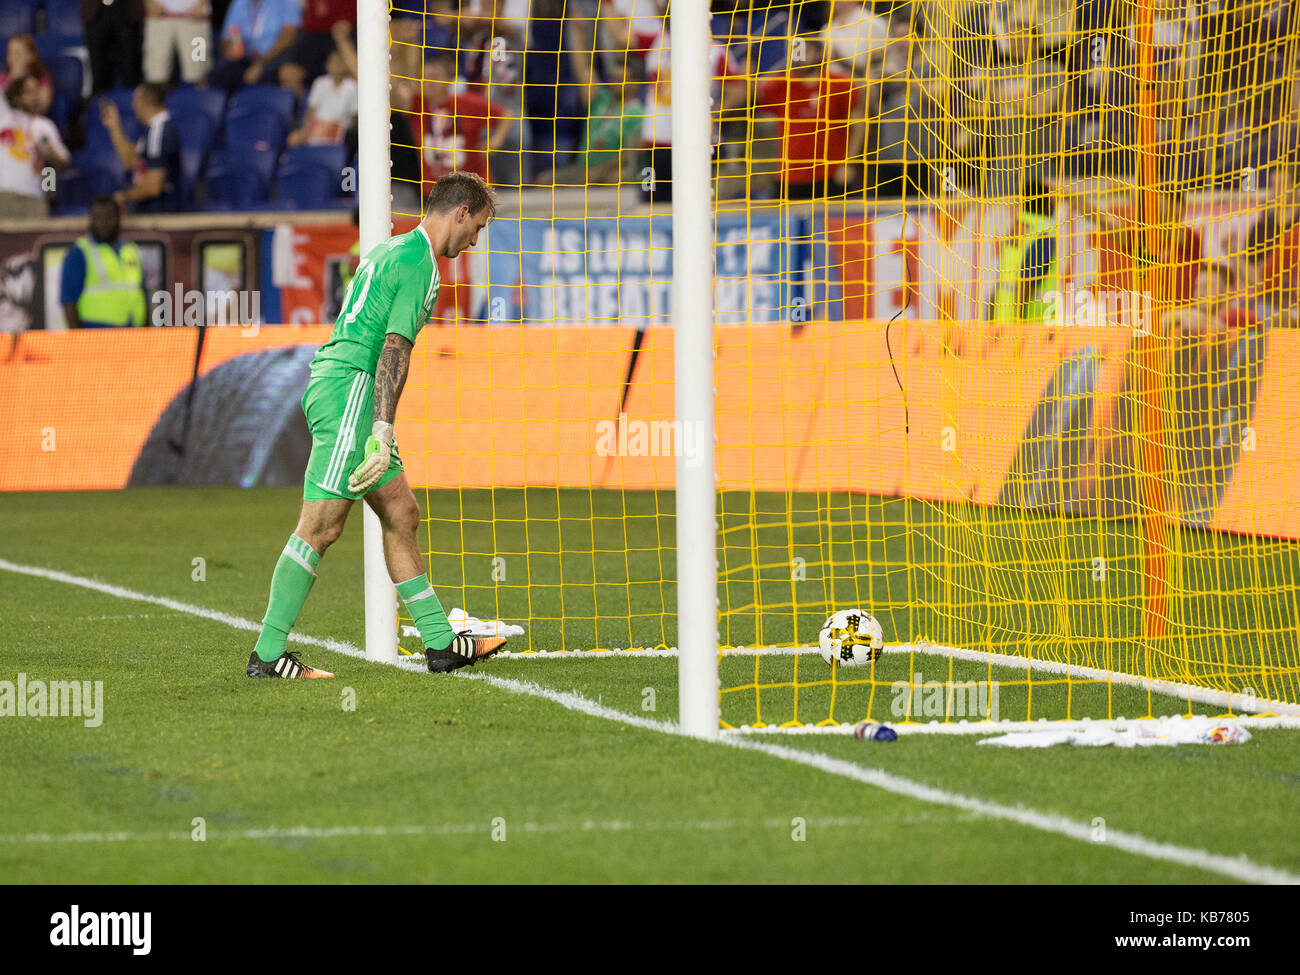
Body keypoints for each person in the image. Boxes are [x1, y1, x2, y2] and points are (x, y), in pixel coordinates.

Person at [246, 172, 507, 679]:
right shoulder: (421, 266)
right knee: (322, 526)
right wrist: (382, 429)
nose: (475, 239)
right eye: (476, 227)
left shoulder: (391, 250)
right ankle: (268, 653)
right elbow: (393, 348)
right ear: (459, 213)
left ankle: (439, 643)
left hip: (344, 385)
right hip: (353, 392)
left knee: (402, 512)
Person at [754, 37, 865, 199]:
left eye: (805, 51)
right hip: (789, 176)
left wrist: (848, 164)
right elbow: (753, 97)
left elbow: (859, 127)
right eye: (796, 51)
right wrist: (748, 72)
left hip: (831, 175)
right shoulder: (781, 84)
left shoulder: (841, 84)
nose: (800, 57)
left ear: (820, 53)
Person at [417, 52, 511, 193]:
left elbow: (506, 115)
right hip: (434, 191)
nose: (429, 83)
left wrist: (495, 141)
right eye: (424, 78)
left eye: (434, 77)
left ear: (448, 79)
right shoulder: (417, 105)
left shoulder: (465, 102)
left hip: (473, 188)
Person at [59, 196, 149, 329]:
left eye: (109, 217)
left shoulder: (131, 250)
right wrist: (78, 342)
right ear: (91, 220)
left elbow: (141, 294)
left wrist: (146, 334)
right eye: (98, 218)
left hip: (133, 334)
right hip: (96, 336)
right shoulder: (80, 252)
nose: (103, 223)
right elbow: (69, 302)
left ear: (119, 218)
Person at [99, 82, 181, 212]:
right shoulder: (153, 129)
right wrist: (114, 126)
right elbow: (131, 161)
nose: (133, 105)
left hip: (160, 212)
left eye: (134, 100)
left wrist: (123, 197)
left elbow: (154, 187)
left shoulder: (159, 132)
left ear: (142, 102)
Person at [0, 77, 70, 218]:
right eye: (29, 92)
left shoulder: (45, 126)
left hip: (34, 197)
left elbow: (64, 162)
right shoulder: (3, 118)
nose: (35, 96)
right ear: (16, 97)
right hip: (3, 195)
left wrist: (51, 155)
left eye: (37, 91)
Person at [209, 0, 301, 92]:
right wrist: (229, 48)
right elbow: (226, 39)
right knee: (218, 75)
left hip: (275, 57)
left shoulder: (285, 2)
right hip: (246, 57)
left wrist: (260, 64)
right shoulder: (239, 3)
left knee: (263, 76)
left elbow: (288, 37)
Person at [286, 49, 356, 147]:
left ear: (345, 65)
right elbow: (311, 111)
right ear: (327, 65)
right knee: (293, 139)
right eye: (332, 62)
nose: (335, 66)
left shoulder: (352, 86)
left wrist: (342, 130)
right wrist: (306, 131)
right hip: (318, 127)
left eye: (339, 62)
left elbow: (354, 118)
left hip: (340, 130)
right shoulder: (320, 83)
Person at [142, 0, 212, 85]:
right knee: (156, 73)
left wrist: (203, 3)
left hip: (195, 16)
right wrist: (148, 2)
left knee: (198, 72)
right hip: (159, 15)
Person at [82, 0, 144, 95]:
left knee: (130, 64)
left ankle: (133, 104)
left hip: (127, 9)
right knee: (98, 67)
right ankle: (100, 105)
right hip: (95, 11)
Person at [0, 35, 54, 118]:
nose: (13, 57)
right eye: (10, 53)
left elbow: (42, 107)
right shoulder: (2, 79)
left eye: (18, 53)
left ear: (31, 56)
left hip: (31, 122)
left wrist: (20, 80)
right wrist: (13, 78)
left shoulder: (41, 79)